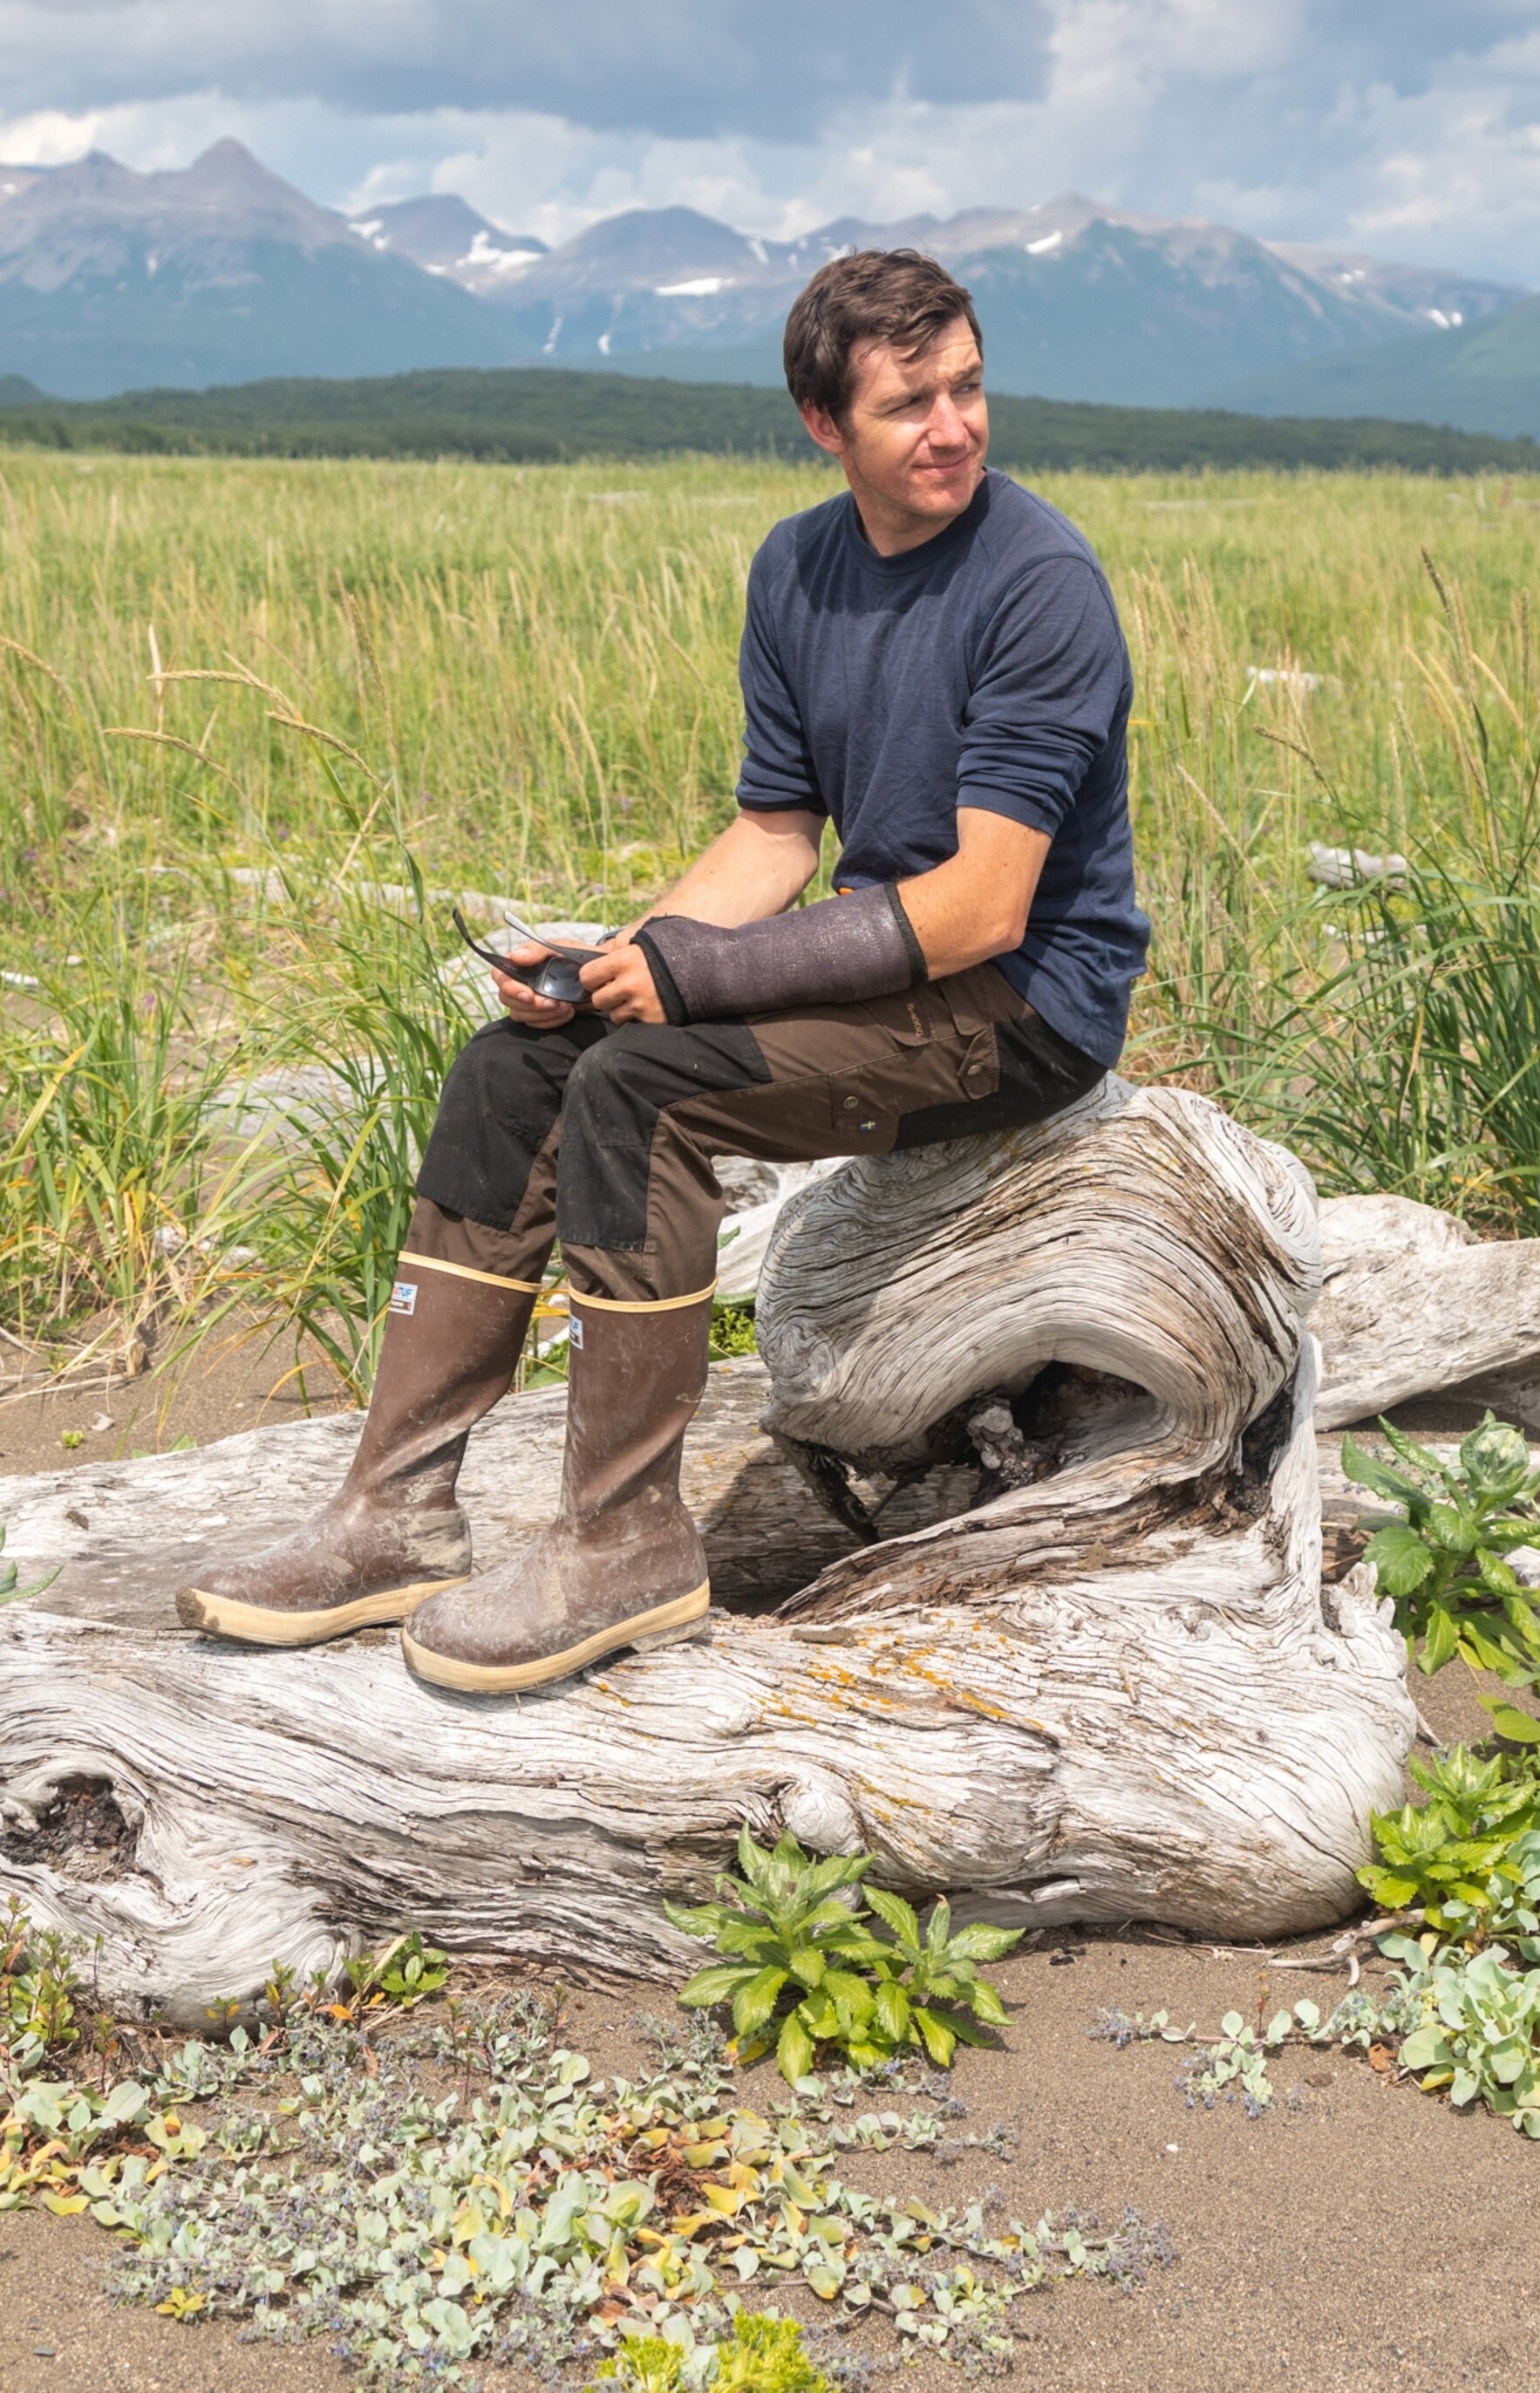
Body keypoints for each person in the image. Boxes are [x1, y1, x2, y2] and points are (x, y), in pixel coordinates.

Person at [176, 249, 1151, 1693]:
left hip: (1021, 1010)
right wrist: (616, 957)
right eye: (910, 405)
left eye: (968, 388)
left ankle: (629, 1541)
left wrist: (695, 982)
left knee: (648, 1088)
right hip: (897, 966)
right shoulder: (797, 568)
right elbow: (774, 832)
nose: (954, 428)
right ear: (826, 426)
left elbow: (984, 909)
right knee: (518, 1065)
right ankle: (393, 1514)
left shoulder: (1039, 583)